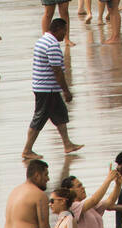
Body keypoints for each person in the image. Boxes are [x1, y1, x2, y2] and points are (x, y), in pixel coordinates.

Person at [20, 19, 82, 161]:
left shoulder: (42, 40)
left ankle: (67, 144)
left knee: (60, 115)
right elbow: (57, 71)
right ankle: (27, 150)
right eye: (64, 31)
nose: (64, 34)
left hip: (45, 87)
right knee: (39, 119)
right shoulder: (53, 45)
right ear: (58, 29)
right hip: (47, 89)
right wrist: (66, 91)